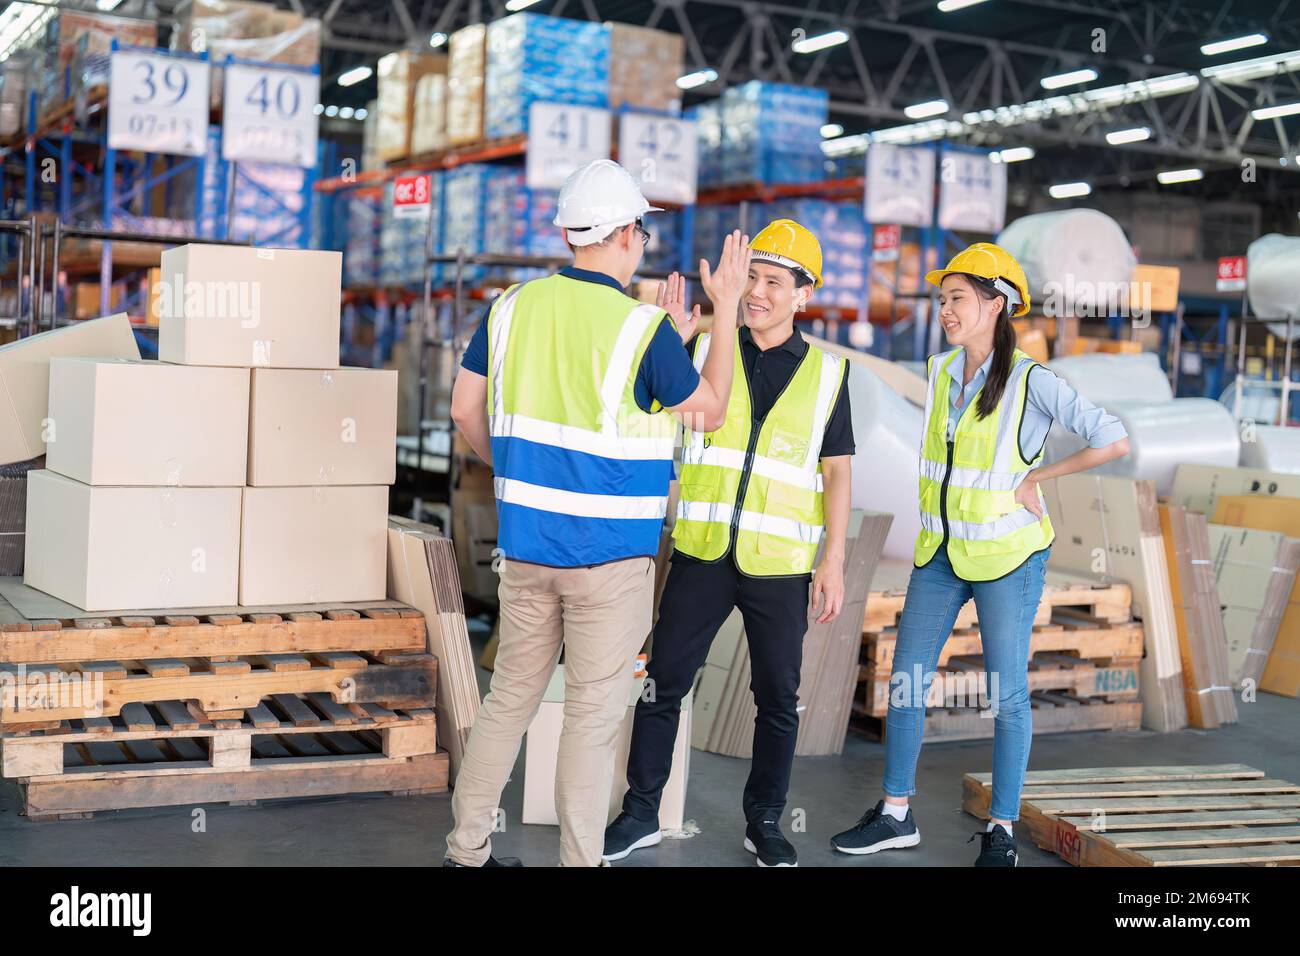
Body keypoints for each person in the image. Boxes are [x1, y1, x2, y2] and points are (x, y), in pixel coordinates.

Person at [443, 159, 752, 867]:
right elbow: (711, 410)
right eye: (641, 230)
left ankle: (466, 852)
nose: (644, 241)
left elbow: (466, 408)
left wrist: (523, 475)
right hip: (609, 565)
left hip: (525, 554)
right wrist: (725, 310)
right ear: (620, 234)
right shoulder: (640, 329)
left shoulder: (509, 308)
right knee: (589, 718)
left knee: (507, 703)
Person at [830, 242, 1130, 866]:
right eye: (942, 299)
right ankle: (895, 814)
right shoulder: (940, 372)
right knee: (907, 681)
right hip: (941, 551)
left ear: (995, 304)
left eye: (958, 299)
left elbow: (1112, 438)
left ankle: (1001, 832)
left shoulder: (1031, 381)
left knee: (1007, 694)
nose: (946, 309)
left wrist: (1038, 480)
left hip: (1007, 558)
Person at [602, 219, 855, 868]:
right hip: (704, 550)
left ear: (804, 294)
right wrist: (671, 338)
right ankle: (640, 814)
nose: (759, 292)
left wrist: (833, 560)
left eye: (774, 281)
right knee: (664, 682)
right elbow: (650, 418)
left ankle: (764, 821)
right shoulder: (707, 352)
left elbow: (837, 471)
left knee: (777, 699)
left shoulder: (829, 374)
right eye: (754, 279)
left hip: (779, 566)